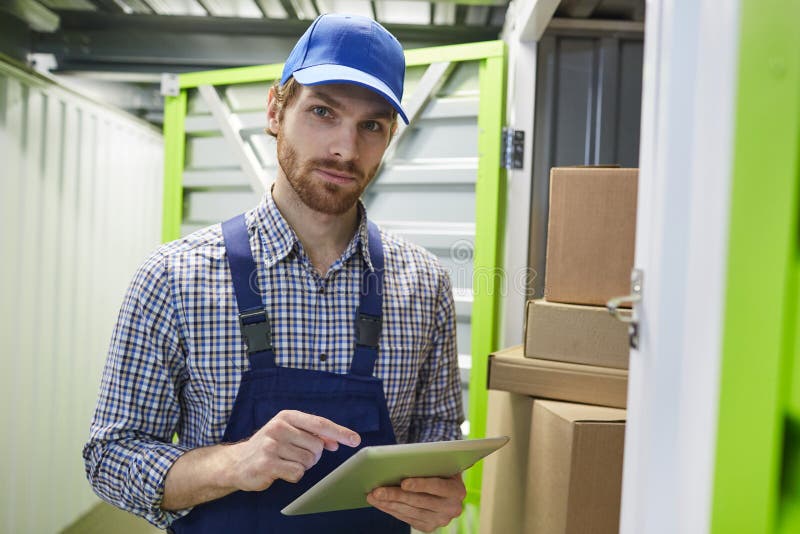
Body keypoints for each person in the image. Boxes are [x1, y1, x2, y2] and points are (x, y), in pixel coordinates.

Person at [83, 13, 466, 533]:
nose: (345, 149)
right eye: (323, 112)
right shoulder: (174, 278)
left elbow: (437, 445)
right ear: (274, 110)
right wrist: (234, 464)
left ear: (390, 135)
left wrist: (440, 498)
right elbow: (109, 457)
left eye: (371, 125)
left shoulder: (425, 284)